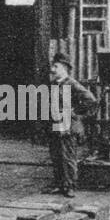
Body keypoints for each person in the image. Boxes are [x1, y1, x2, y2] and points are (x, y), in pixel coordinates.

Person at [44, 53, 97, 198]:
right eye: (52, 66)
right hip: (56, 124)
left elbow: (91, 100)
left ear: (65, 68)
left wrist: (76, 114)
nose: (52, 69)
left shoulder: (72, 83)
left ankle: (70, 186)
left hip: (67, 126)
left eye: (56, 66)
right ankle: (59, 184)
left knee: (67, 156)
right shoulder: (54, 84)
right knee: (56, 155)